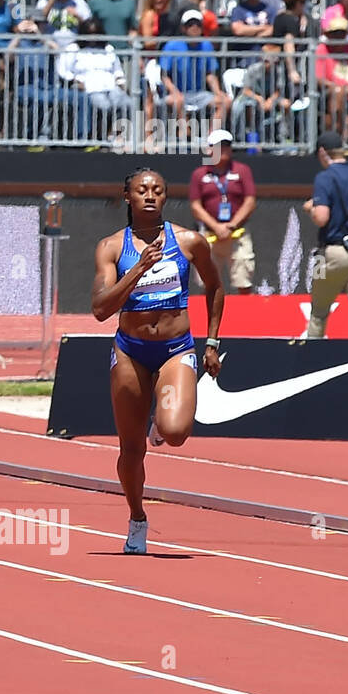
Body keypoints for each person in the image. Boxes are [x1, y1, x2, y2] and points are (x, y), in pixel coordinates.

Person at [91, 168, 223, 556]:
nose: (150, 196)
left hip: (175, 348)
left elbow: (215, 286)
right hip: (130, 350)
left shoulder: (189, 241)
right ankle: (137, 517)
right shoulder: (111, 248)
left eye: (158, 191)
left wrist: (212, 340)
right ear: (127, 197)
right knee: (131, 452)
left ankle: (161, 422)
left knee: (176, 431)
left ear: (166, 197)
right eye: (141, 190)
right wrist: (137, 269)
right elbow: (100, 309)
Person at [304, 130, 348, 338]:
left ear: (323, 152)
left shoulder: (324, 178)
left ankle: (310, 359)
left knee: (318, 312)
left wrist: (310, 209)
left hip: (330, 253)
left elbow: (321, 218)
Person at [189, 129, 257, 295]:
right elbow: (196, 206)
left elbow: (250, 201)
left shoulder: (242, 170)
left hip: (237, 235)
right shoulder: (200, 174)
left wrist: (231, 225)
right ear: (210, 149)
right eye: (219, 146)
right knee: (208, 283)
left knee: (244, 280)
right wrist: (216, 226)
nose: (224, 150)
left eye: (226, 146)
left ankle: (246, 317)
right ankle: (211, 317)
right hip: (209, 235)